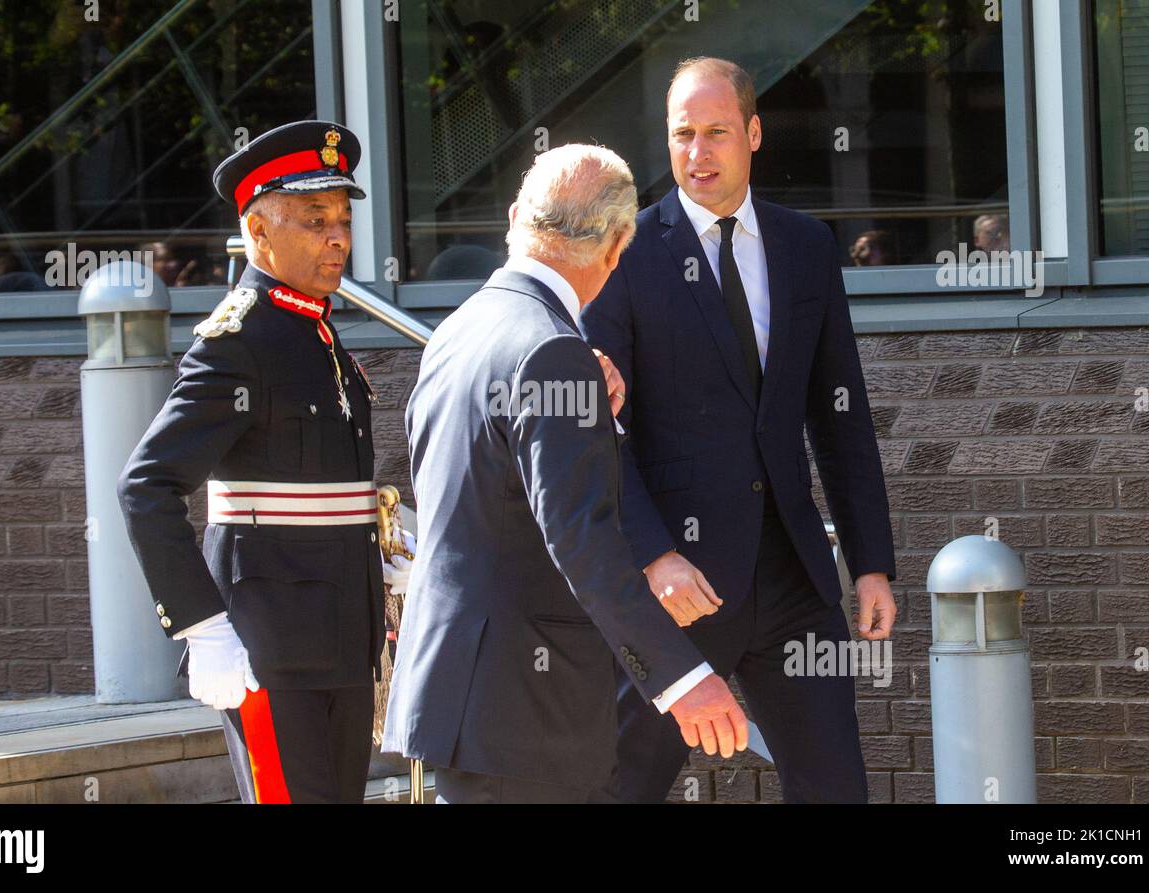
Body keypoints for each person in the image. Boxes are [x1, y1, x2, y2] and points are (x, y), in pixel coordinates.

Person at [382, 144, 748, 804]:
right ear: (616, 248)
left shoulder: (461, 329)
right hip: (529, 711)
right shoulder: (553, 349)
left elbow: (474, 483)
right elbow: (582, 539)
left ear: (518, 217)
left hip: (471, 696)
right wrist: (680, 675)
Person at [579, 57, 897, 803]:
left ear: (753, 133)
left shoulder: (806, 247)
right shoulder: (623, 253)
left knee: (834, 786)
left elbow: (838, 409)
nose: (697, 152)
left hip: (793, 580)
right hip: (676, 589)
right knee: (625, 784)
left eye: (716, 132)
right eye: (682, 134)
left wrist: (871, 560)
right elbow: (597, 428)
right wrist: (653, 554)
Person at [117, 121, 409, 803]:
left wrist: (383, 551)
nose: (338, 235)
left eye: (342, 217)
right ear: (258, 230)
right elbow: (146, 486)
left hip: (340, 643)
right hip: (270, 653)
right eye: (314, 219)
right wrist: (202, 626)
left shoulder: (317, 331)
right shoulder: (239, 339)